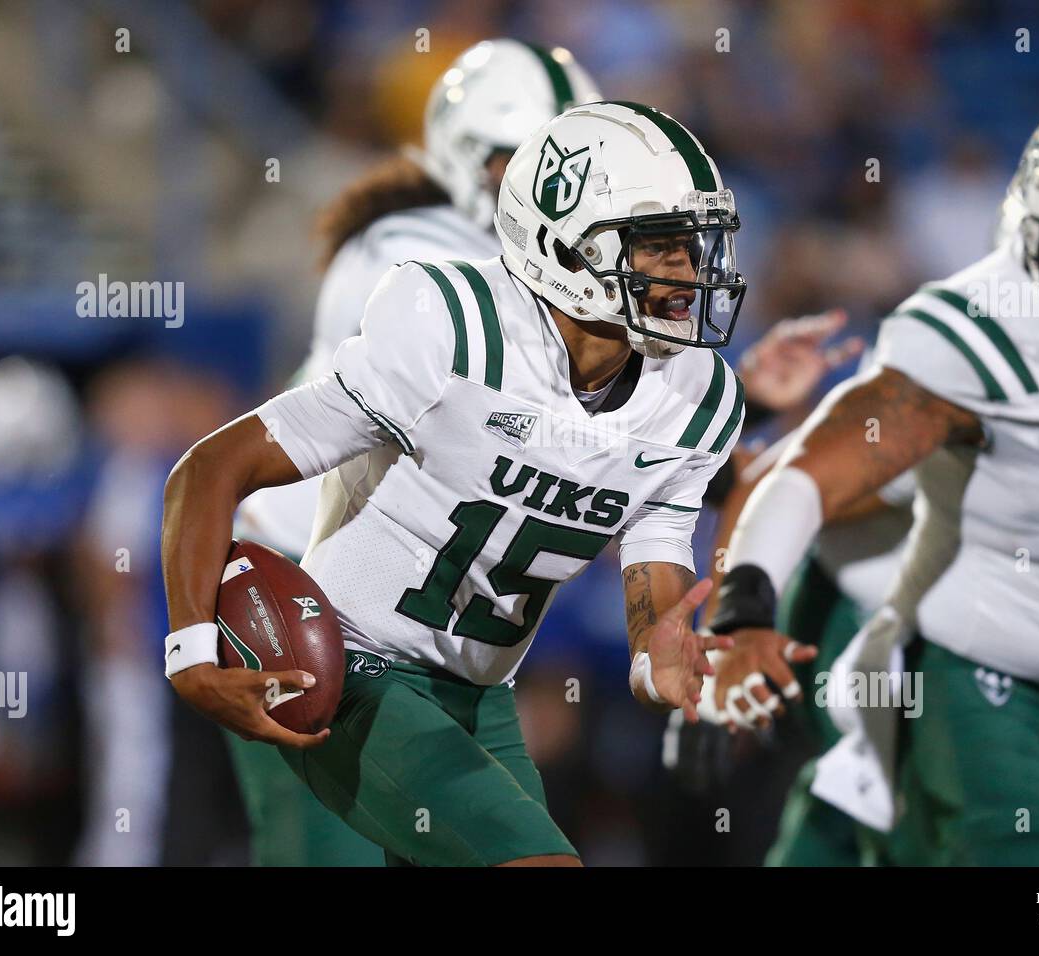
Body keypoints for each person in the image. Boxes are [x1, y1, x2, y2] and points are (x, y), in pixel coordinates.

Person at [161, 101, 806, 866]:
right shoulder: (453, 330)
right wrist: (192, 656)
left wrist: (655, 656)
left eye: (695, 249)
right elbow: (211, 467)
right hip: (357, 667)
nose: (690, 276)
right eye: (661, 248)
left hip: (480, 695)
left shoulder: (695, 398)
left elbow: (656, 557)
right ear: (563, 246)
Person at [708, 92, 1039, 865]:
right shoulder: (973, 340)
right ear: (1034, 241)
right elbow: (799, 478)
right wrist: (742, 612)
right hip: (979, 668)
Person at [227, 37, 600, 867]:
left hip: (427, 619)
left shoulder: (524, 274)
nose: (558, 194)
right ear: (472, 161)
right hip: (306, 600)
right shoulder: (414, 253)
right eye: (532, 163)